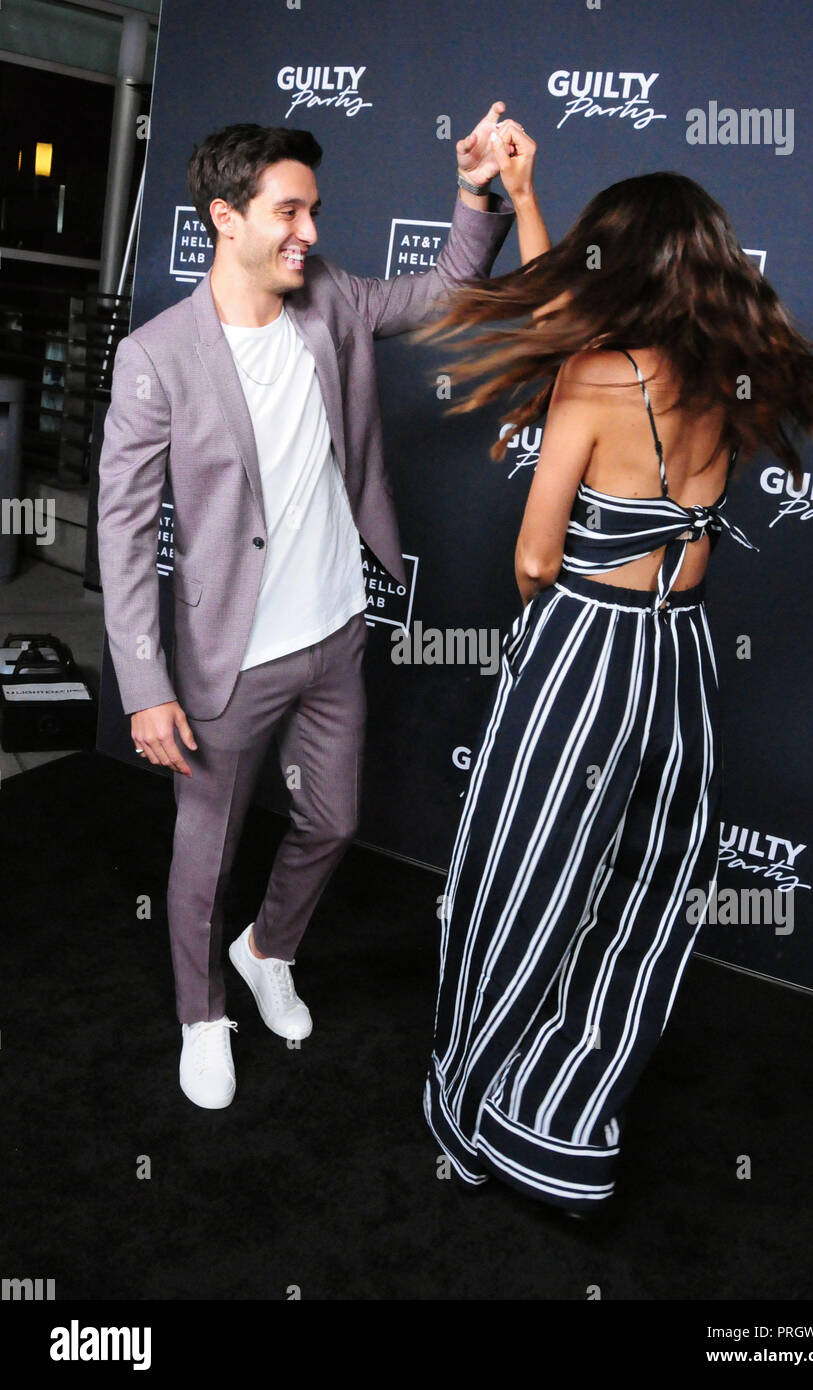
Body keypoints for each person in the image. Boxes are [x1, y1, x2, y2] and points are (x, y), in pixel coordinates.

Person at [413, 159, 813, 1212]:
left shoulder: (595, 379)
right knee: (639, 898)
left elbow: (532, 555)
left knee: (522, 875)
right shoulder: (738, 377)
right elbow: (575, 323)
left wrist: (545, 628)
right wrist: (522, 198)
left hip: (586, 647)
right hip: (681, 659)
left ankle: (474, 1110)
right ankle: (563, 1115)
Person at [97, 106, 546, 1109]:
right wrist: (143, 682)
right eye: (288, 212)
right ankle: (201, 1013)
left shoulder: (331, 299)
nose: (309, 231)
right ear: (225, 218)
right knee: (203, 856)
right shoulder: (157, 358)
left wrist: (476, 193)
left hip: (337, 633)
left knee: (334, 820)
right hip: (228, 659)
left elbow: (444, 291)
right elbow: (124, 534)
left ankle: (268, 950)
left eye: (314, 210)